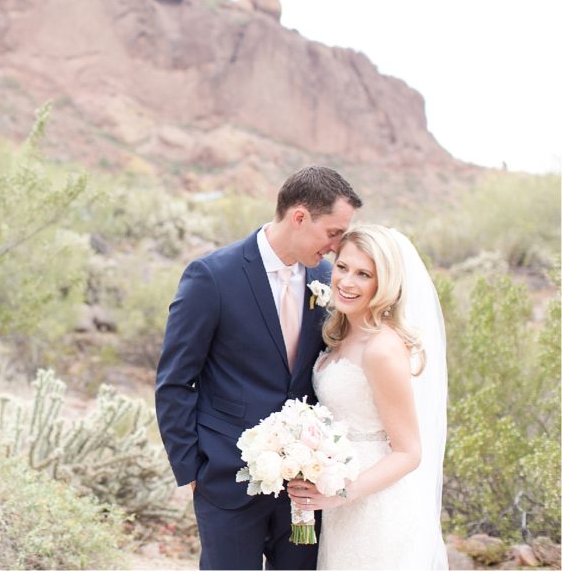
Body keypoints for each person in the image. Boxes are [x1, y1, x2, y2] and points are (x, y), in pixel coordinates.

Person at [156, 166, 362, 570]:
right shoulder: (212, 276)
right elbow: (175, 380)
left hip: (305, 486)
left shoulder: (326, 280)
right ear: (300, 217)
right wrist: (193, 469)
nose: (337, 248)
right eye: (333, 233)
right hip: (226, 478)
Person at [287, 225, 448, 569]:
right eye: (342, 267)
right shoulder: (342, 333)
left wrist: (340, 493)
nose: (346, 282)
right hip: (342, 501)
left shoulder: (381, 349)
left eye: (364, 274)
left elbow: (409, 452)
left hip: (377, 507)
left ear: (384, 283)